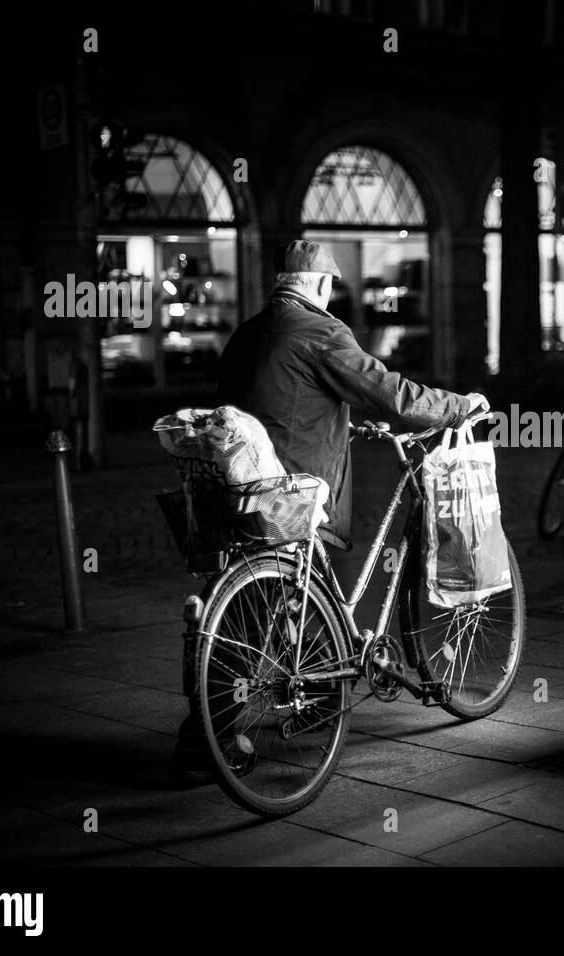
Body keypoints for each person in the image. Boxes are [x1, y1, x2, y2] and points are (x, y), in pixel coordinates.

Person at [172, 239, 487, 779]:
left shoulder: (249, 332)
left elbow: (279, 394)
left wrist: (344, 420)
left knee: (276, 602)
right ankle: (208, 739)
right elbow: (386, 391)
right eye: (331, 288)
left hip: (238, 486)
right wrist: (457, 406)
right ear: (319, 286)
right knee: (259, 615)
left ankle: (322, 690)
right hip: (290, 491)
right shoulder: (319, 331)